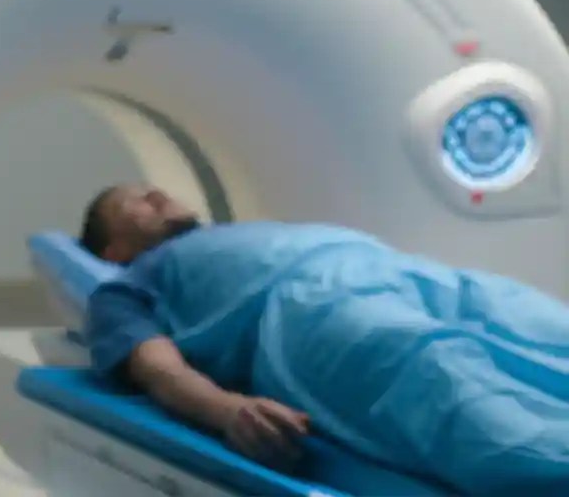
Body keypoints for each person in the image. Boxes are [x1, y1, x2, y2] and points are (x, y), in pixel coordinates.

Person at [79, 183, 569, 496]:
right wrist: (227, 410)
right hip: (306, 310)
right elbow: (159, 368)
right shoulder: (126, 287)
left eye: (153, 190)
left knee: (543, 326)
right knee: (443, 378)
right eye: (137, 202)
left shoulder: (242, 231)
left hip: (403, 270)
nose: (158, 195)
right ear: (113, 248)